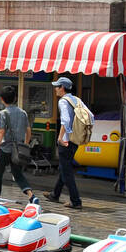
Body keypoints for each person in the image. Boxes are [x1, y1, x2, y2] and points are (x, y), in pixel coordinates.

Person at [0, 86, 35, 203]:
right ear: (15, 98)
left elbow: (1, 132)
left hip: (4, 149)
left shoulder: (3, 113)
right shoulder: (23, 113)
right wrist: (25, 144)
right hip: (18, 150)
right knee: (18, 174)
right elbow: (28, 130)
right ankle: (31, 195)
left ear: (2, 99)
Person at [45, 76, 83, 210]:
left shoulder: (63, 101)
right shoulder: (77, 100)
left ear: (62, 88)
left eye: (57, 86)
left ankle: (76, 200)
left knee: (66, 171)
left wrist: (60, 137)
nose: (55, 89)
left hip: (66, 140)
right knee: (64, 167)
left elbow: (65, 121)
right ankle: (55, 194)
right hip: (75, 140)